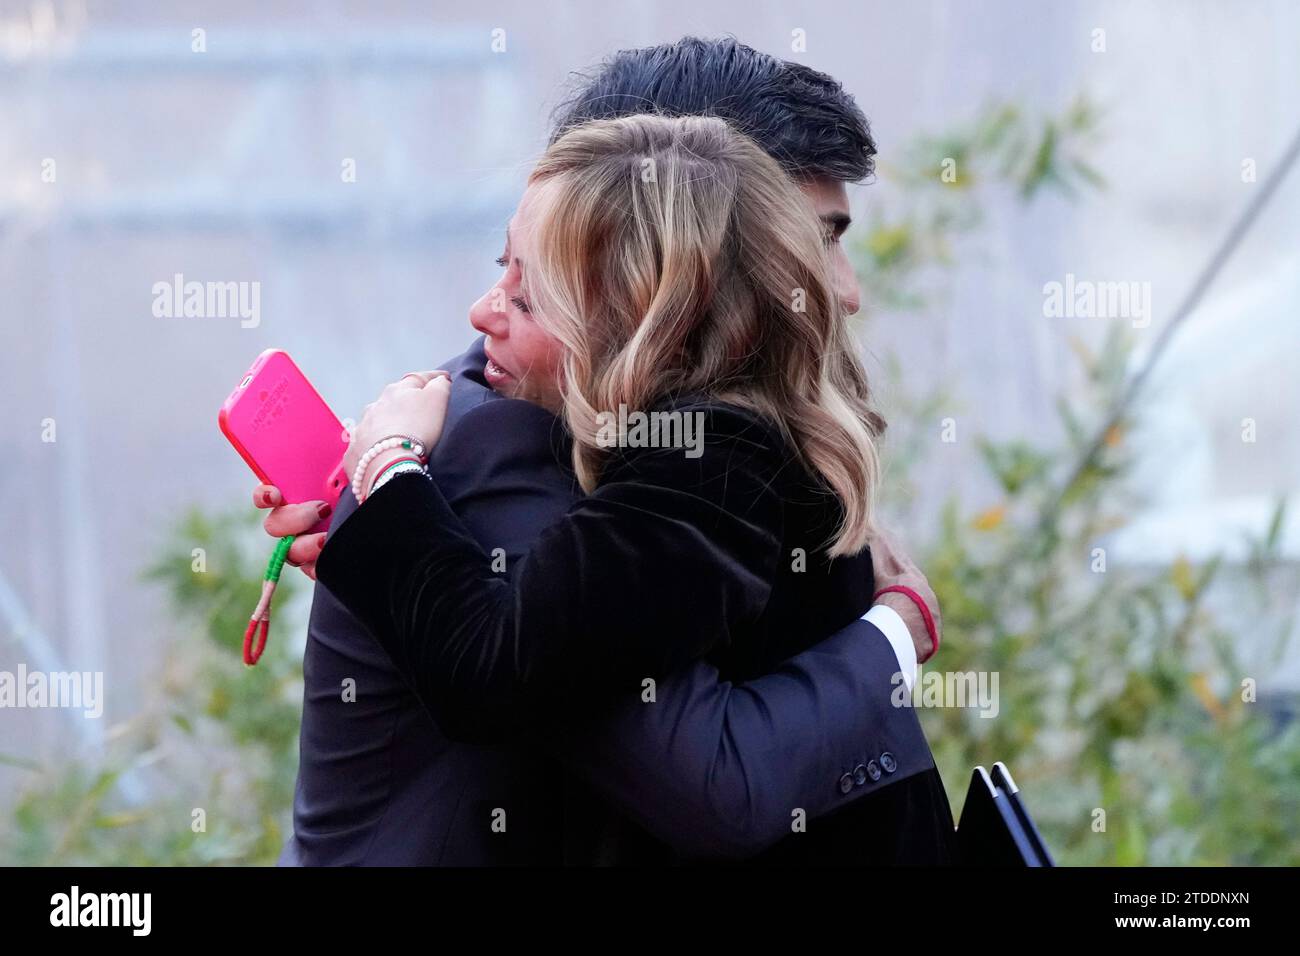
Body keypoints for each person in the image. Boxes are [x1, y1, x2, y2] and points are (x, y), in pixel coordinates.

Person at [263, 38, 954, 865]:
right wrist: (894, 631)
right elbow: (714, 784)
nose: (843, 288)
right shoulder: (511, 444)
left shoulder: (677, 430)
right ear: (677, 261)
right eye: (814, 239)